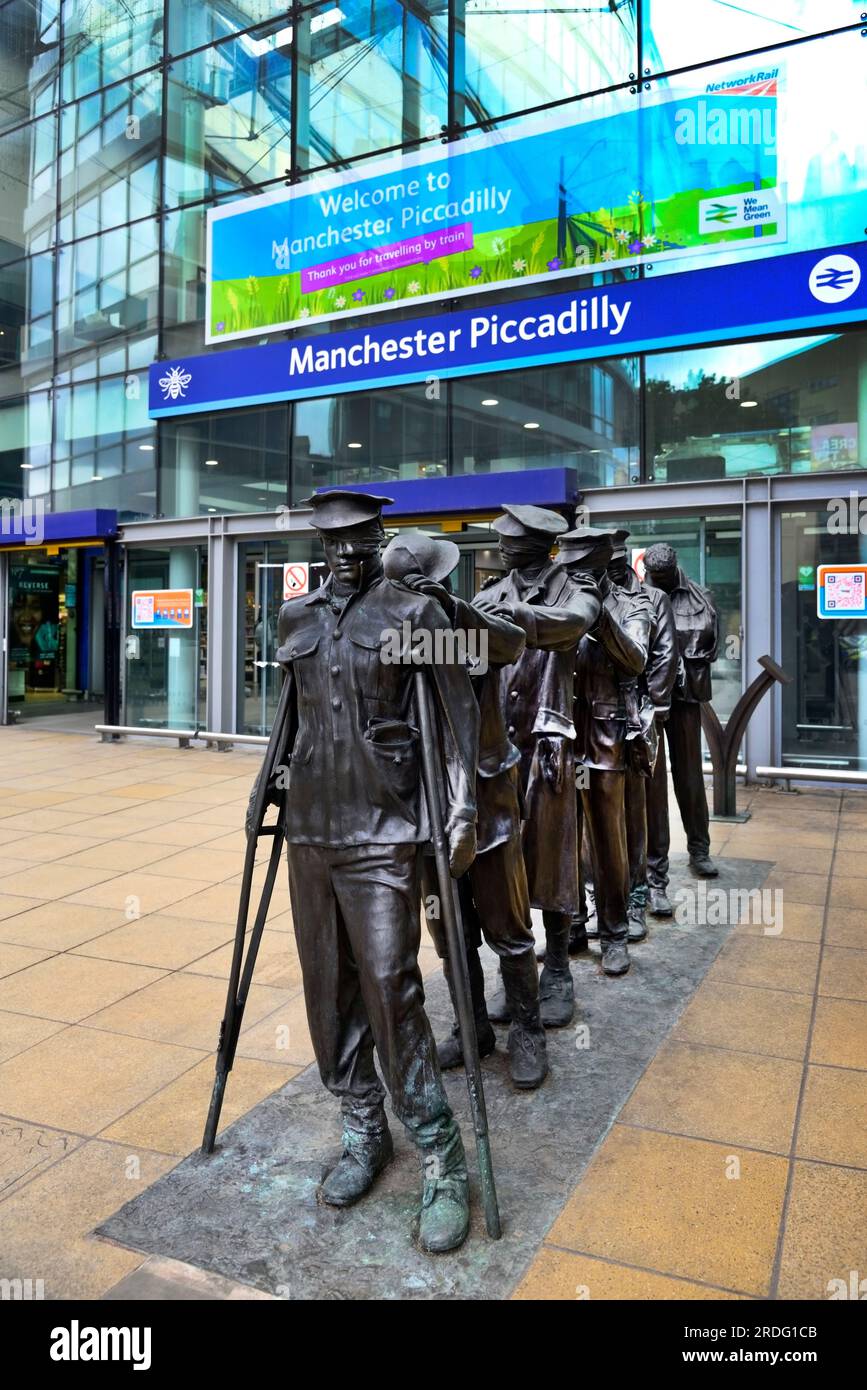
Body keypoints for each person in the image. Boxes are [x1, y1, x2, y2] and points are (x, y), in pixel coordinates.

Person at [248, 491, 480, 1254]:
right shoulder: (296, 619)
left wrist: (462, 811)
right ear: (320, 542)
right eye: (335, 541)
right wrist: (265, 787)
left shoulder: (418, 614)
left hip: (386, 823)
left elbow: (455, 716)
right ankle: (361, 1126)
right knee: (327, 985)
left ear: (379, 537)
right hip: (313, 822)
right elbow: (292, 713)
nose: (348, 552)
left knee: (389, 982)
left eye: (362, 538)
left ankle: (440, 1150)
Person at [383, 529, 548, 1091]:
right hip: (425, 801)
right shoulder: (393, 631)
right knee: (447, 926)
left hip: (485, 799)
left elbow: (512, 644)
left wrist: (449, 607)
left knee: (507, 922)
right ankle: (472, 1025)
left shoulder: (473, 619)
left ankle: (528, 1029)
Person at [474, 504, 600, 1027]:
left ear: (539, 545)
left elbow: (571, 627)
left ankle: (559, 970)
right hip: (498, 747)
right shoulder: (488, 595)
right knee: (507, 864)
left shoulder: (574, 592)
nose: (503, 547)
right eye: (502, 541)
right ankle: (517, 974)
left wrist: (518, 619)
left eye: (513, 541)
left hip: (549, 744)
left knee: (553, 857)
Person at [558, 526, 652, 976]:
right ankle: (573, 923)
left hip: (606, 735)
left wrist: (597, 617)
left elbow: (634, 658)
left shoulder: (632, 604)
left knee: (607, 840)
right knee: (562, 836)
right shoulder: (556, 602)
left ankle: (614, 932)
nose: (572, 577)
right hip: (559, 735)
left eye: (582, 571)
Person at [606, 530, 679, 941]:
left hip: (642, 717)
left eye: (616, 565)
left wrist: (650, 709)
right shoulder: (594, 599)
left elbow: (665, 656)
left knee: (649, 804)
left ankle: (655, 882)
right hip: (602, 716)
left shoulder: (654, 600)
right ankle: (608, 892)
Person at [643, 542, 720, 913]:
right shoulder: (640, 596)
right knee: (652, 785)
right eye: (652, 577)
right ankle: (653, 868)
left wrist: (675, 657)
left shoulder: (700, 598)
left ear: (674, 570)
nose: (656, 582)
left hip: (686, 700)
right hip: (651, 703)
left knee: (689, 777)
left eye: (662, 577)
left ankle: (699, 848)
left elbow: (711, 643)